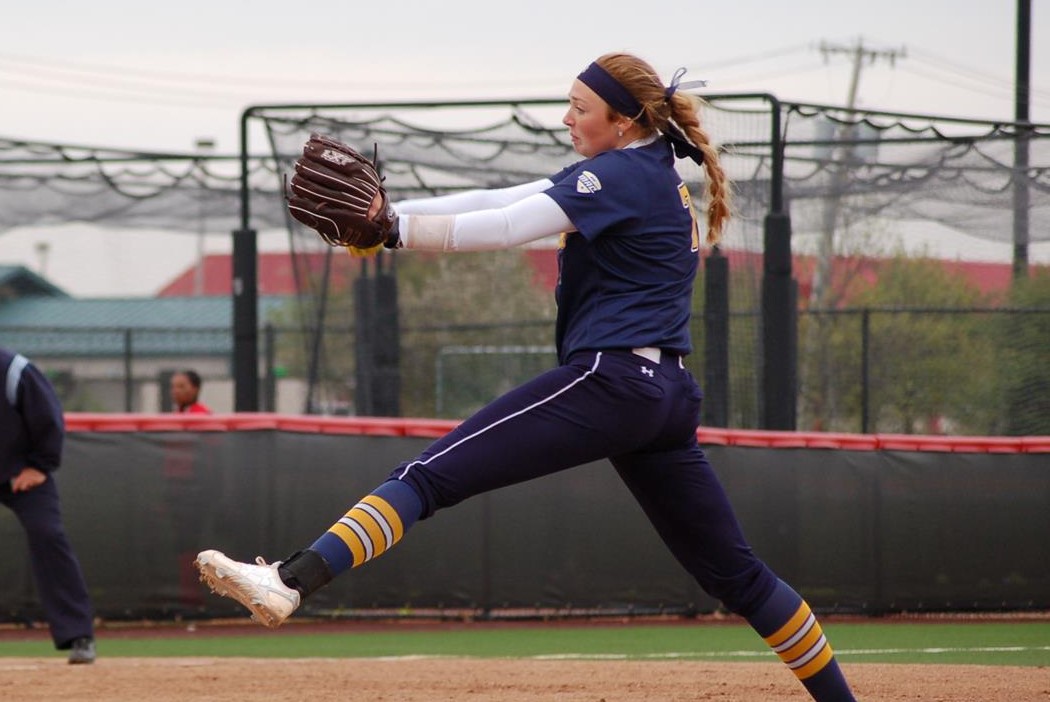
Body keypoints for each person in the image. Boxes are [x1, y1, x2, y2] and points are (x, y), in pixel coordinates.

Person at [197, 53, 857, 700]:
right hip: (664, 397)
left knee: (425, 478)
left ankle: (292, 579)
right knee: (737, 576)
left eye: (580, 106)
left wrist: (394, 231)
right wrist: (392, 217)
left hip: (613, 379)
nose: (567, 116)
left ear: (623, 120)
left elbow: (510, 225)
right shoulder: (642, 172)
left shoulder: (620, 176)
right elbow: (501, 197)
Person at [1, 348, 96, 664]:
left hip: (23, 472)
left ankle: (78, 635)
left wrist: (40, 466)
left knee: (48, 535)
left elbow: (48, 417)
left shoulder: (14, 369)